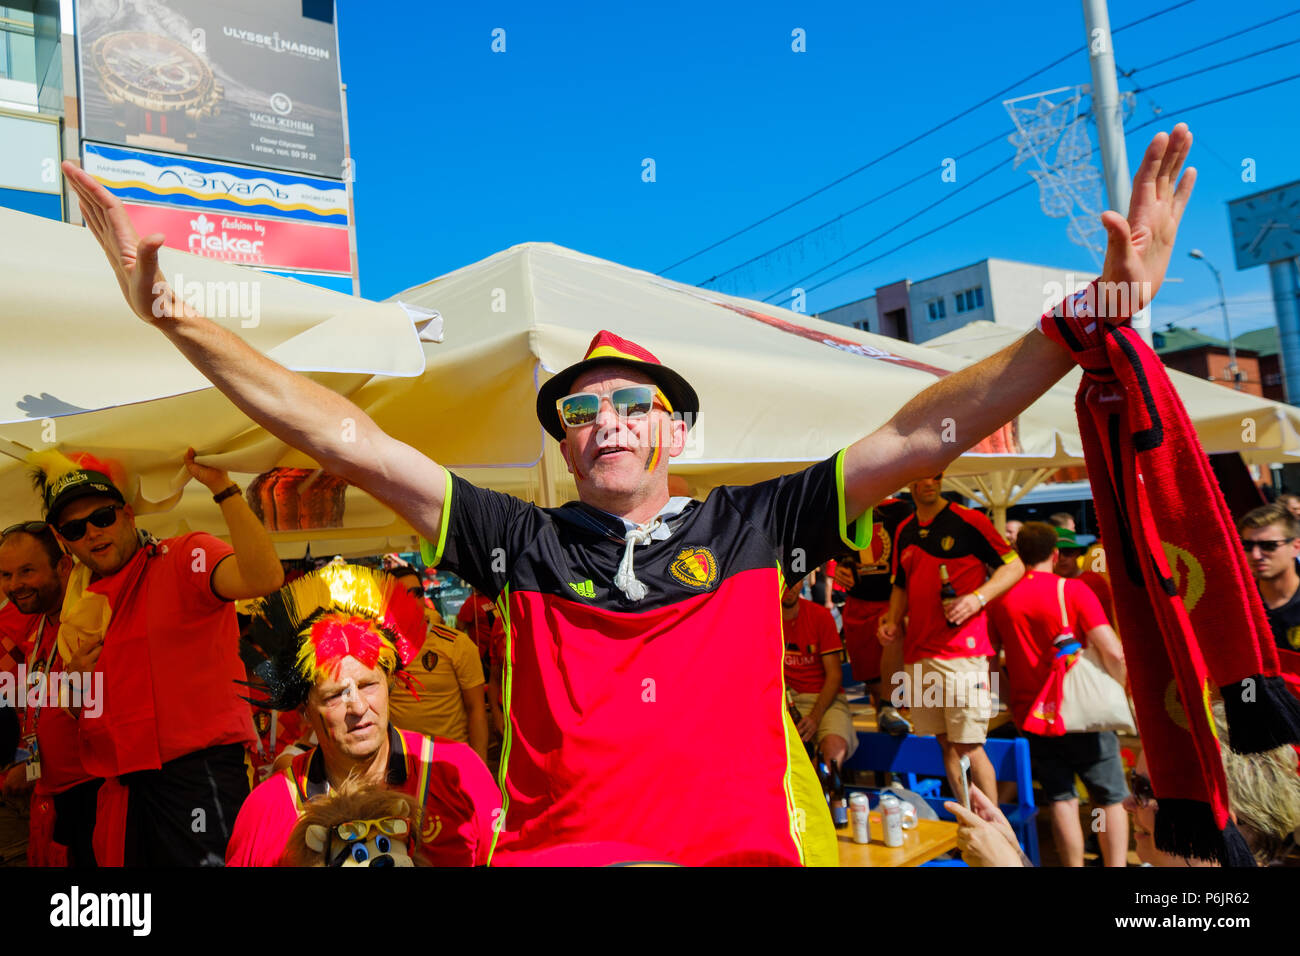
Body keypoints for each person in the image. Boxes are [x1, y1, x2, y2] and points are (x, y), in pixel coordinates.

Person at [61, 121, 1195, 865]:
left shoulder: (756, 522)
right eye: (580, 408)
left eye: (630, 402)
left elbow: (918, 424)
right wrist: (181, 320)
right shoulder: (517, 538)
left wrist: (1085, 317)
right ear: (563, 439)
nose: (604, 418)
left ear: (676, 426)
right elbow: (349, 438)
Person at [32, 448, 284, 866]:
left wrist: (223, 489)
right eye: (75, 529)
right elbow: (86, 714)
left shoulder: (184, 557)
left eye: (103, 517)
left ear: (128, 514)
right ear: (62, 539)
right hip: (122, 791)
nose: (93, 533)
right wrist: (75, 688)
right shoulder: (80, 611)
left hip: (197, 781)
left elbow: (265, 577)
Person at [224, 565, 500, 866]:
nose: (357, 707)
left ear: (390, 684)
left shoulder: (457, 771)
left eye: (368, 685)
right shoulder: (269, 807)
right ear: (305, 711)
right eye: (333, 696)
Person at [985, 521, 1129, 866]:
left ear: (1018, 554)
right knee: (1110, 797)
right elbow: (1114, 653)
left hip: (1032, 715)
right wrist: (1125, 690)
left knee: (1062, 799)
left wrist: (1012, 703)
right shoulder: (1074, 590)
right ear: (1055, 553)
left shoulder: (1001, 599)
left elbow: (990, 666)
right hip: (1083, 712)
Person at [879, 473, 1024, 805]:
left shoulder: (969, 520)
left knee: (969, 746)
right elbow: (900, 584)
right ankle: (971, 821)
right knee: (945, 742)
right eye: (922, 477)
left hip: (963, 653)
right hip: (919, 652)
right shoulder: (904, 530)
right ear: (909, 483)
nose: (930, 482)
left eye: (937, 476)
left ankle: (995, 831)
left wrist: (978, 598)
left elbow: (1013, 567)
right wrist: (890, 620)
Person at [0, 522, 101, 866]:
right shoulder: (40, 625)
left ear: (63, 566)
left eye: (27, 571)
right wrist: (27, 765)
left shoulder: (91, 623)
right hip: (51, 798)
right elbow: (38, 716)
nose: (14, 586)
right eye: (6, 574)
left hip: (93, 796)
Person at [386, 566, 490, 762]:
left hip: (451, 761)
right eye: (401, 594)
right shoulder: (379, 649)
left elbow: (476, 709)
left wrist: (479, 766)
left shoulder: (456, 643)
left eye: (417, 593)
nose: (411, 599)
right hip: (402, 765)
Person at [833, 496, 913, 734]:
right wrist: (842, 564)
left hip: (892, 605)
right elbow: (837, 550)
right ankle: (892, 768)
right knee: (875, 688)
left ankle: (911, 758)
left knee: (902, 691)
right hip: (859, 607)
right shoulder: (846, 506)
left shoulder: (901, 509)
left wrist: (900, 608)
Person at [781, 581, 856, 768]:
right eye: (784, 581)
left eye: (795, 581)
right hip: (784, 701)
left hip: (825, 699)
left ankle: (825, 792)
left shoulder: (820, 615)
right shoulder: (764, 619)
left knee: (832, 749)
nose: (790, 588)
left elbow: (834, 675)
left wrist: (815, 716)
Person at [1238, 503, 1300, 699]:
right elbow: (1244, 677)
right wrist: (1250, 706)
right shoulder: (1240, 608)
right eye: (1248, 546)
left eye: (1268, 546)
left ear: (1295, 547)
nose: (1256, 555)